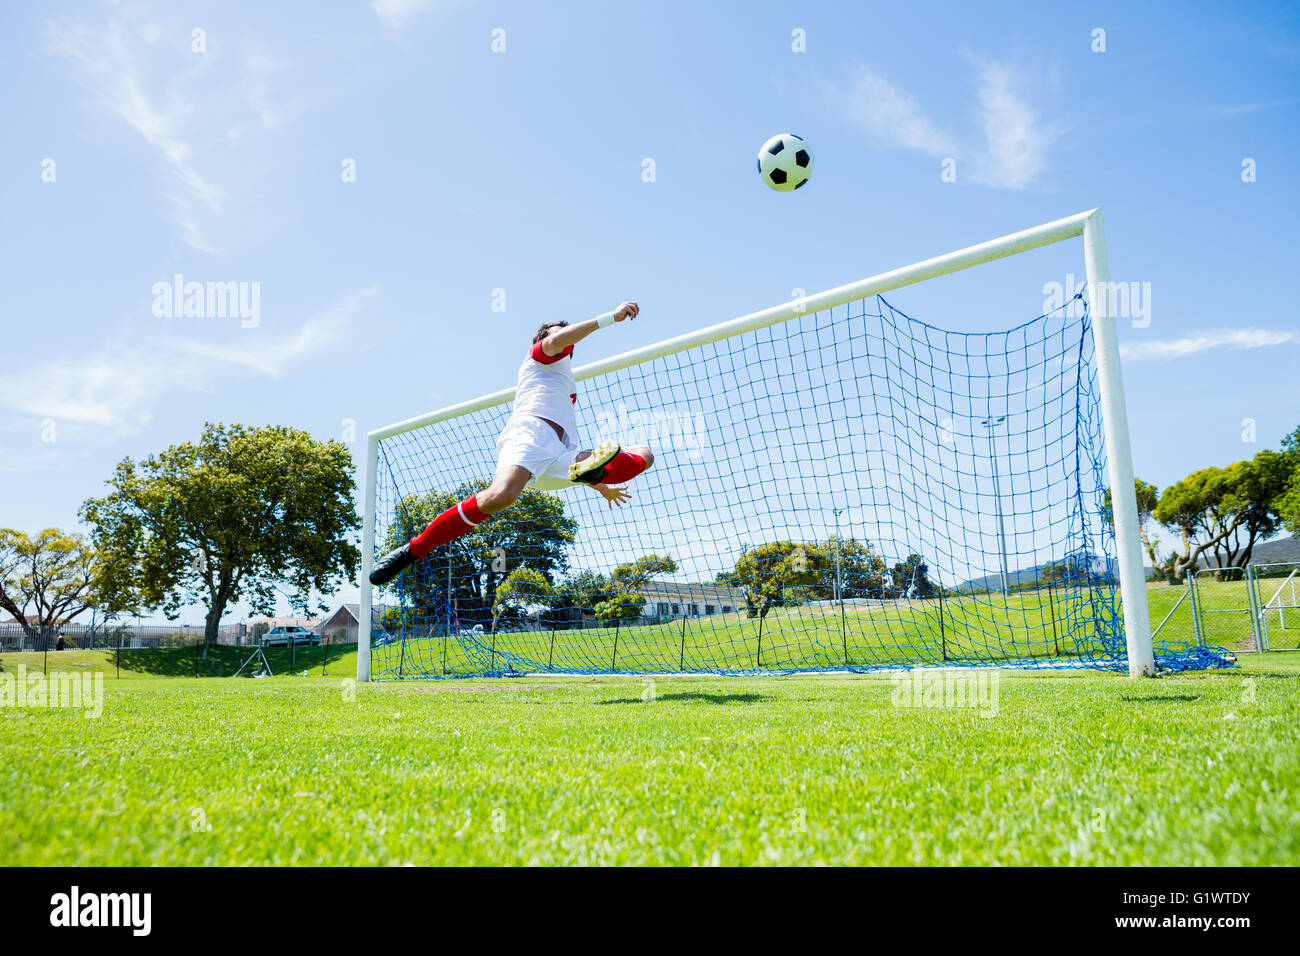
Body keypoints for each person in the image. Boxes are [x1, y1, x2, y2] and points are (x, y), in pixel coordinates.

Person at [370, 301, 655, 586]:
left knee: (645, 454)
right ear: (544, 340)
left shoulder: (565, 379)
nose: (565, 336)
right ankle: (414, 549)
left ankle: (596, 470)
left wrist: (602, 485)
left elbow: (562, 341)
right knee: (501, 496)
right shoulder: (537, 358)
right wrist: (609, 319)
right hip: (531, 434)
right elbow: (556, 340)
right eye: (559, 333)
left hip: (563, 454)